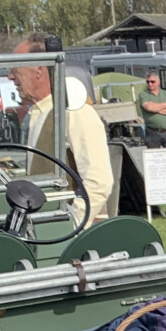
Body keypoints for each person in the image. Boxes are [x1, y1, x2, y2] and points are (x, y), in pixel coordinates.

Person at [10, 33, 114, 221]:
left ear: (39, 70)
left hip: (80, 240)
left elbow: (99, 182)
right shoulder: (39, 113)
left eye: (16, 69)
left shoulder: (74, 110)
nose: (10, 76)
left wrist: (72, 223)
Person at [132, 69, 166, 147]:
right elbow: (149, 107)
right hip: (152, 132)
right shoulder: (143, 94)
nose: (150, 84)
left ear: (158, 82)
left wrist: (155, 109)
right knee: (153, 156)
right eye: (148, 82)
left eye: (152, 81)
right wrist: (165, 105)